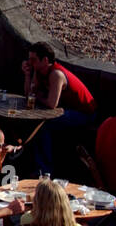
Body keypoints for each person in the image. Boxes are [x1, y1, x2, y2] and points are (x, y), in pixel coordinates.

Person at [22, 40, 96, 171]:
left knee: (43, 125)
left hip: (84, 113)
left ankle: (44, 169)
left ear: (45, 60)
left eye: (33, 60)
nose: (30, 63)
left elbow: (51, 104)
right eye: (29, 59)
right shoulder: (39, 71)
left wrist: (37, 96)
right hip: (67, 109)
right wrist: (27, 75)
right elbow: (29, 94)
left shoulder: (56, 74)